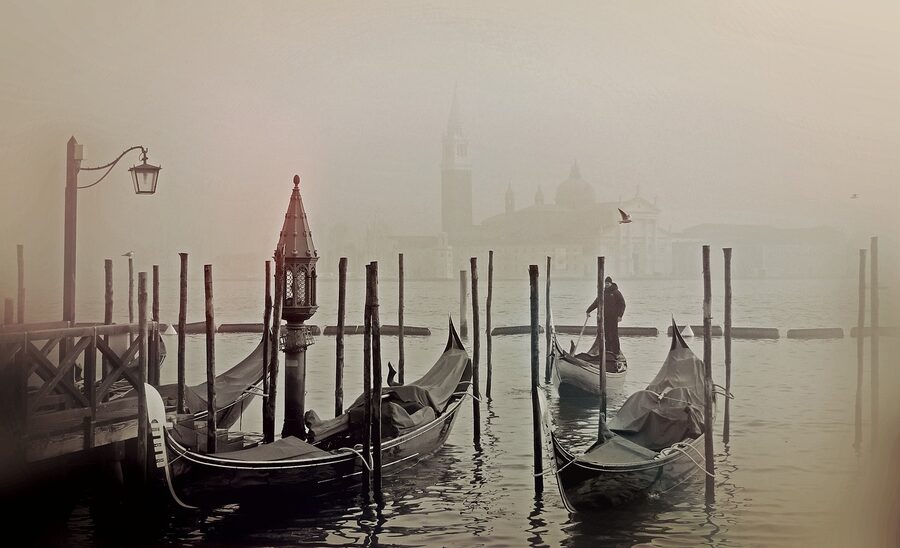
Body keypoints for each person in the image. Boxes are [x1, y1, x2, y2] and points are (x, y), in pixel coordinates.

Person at [585, 276, 626, 356]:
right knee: (606, 334)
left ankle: (616, 351)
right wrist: (588, 310)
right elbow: (596, 303)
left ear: (611, 283)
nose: (607, 285)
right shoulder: (602, 293)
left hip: (614, 317)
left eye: (608, 283)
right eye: (606, 283)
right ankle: (607, 351)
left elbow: (622, 304)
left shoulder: (616, 292)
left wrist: (620, 315)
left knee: (614, 334)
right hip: (605, 317)